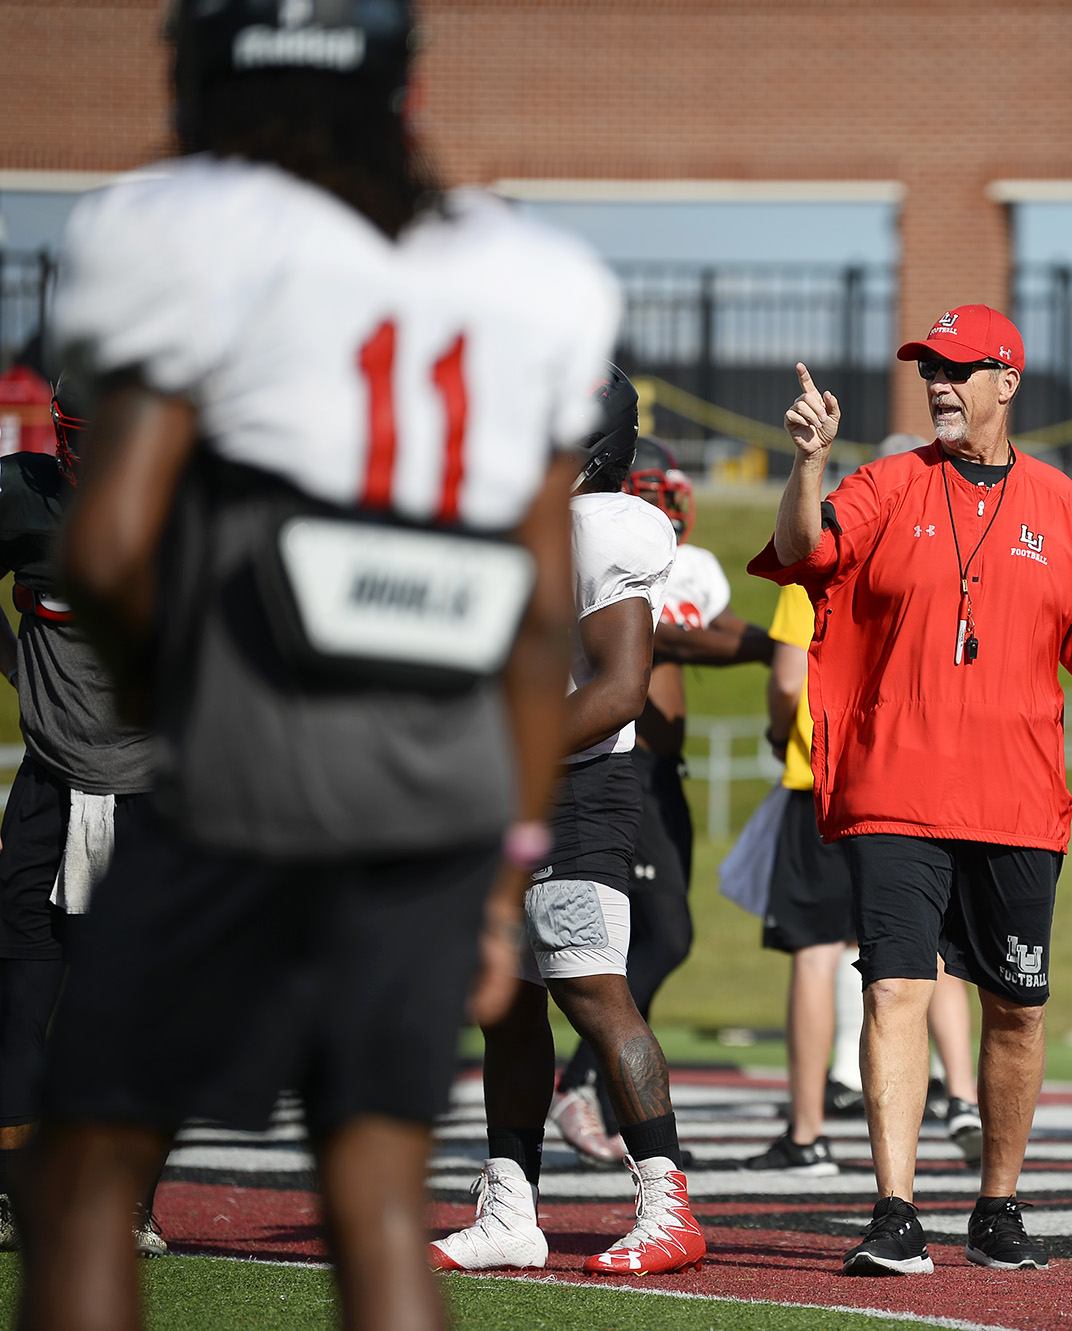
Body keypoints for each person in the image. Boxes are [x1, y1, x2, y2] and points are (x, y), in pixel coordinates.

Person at [21, 2, 603, 1325]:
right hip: (443, 792)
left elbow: (107, 548)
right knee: (379, 1190)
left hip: (252, 770)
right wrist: (508, 866)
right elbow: (534, 612)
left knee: (86, 1168)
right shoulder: (538, 273)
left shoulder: (167, 231)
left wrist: (184, 705)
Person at [751, 304, 1072, 1275]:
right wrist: (808, 462)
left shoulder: (1060, 504)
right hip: (893, 788)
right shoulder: (885, 482)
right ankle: (893, 1208)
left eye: (956, 369)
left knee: (1016, 1005)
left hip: (1018, 799)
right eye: (926, 369)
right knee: (893, 985)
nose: (937, 383)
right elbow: (805, 551)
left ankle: (996, 1201)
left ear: (1004, 381)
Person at [431, 375, 705, 1276]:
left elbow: (622, 687)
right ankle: (511, 1208)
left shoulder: (602, 524)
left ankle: (669, 1202)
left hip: (580, 785)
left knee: (593, 991)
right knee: (508, 1007)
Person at [547, 439, 777, 1168]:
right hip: (617, 768)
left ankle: (597, 1092)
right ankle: (581, 1085)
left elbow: (712, 629)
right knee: (637, 943)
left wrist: (781, 643)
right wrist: (776, 646)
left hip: (657, 774)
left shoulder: (676, 557)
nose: (670, 497)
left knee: (656, 937)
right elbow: (672, 633)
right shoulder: (606, 540)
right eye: (657, 484)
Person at [0, 381, 164, 1257]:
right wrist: (20, 672)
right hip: (51, 780)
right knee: (23, 995)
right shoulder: (24, 496)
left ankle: (135, 1201)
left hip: (158, 793)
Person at [746, 584, 982, 1176]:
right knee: (929, 942)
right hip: (907, 779)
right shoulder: (917, 563)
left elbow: (786, 682)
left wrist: (781, 737)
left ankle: (807, 1134)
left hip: (825, 780)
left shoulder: (813, 575)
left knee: (815, 954)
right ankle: (961, 1095)